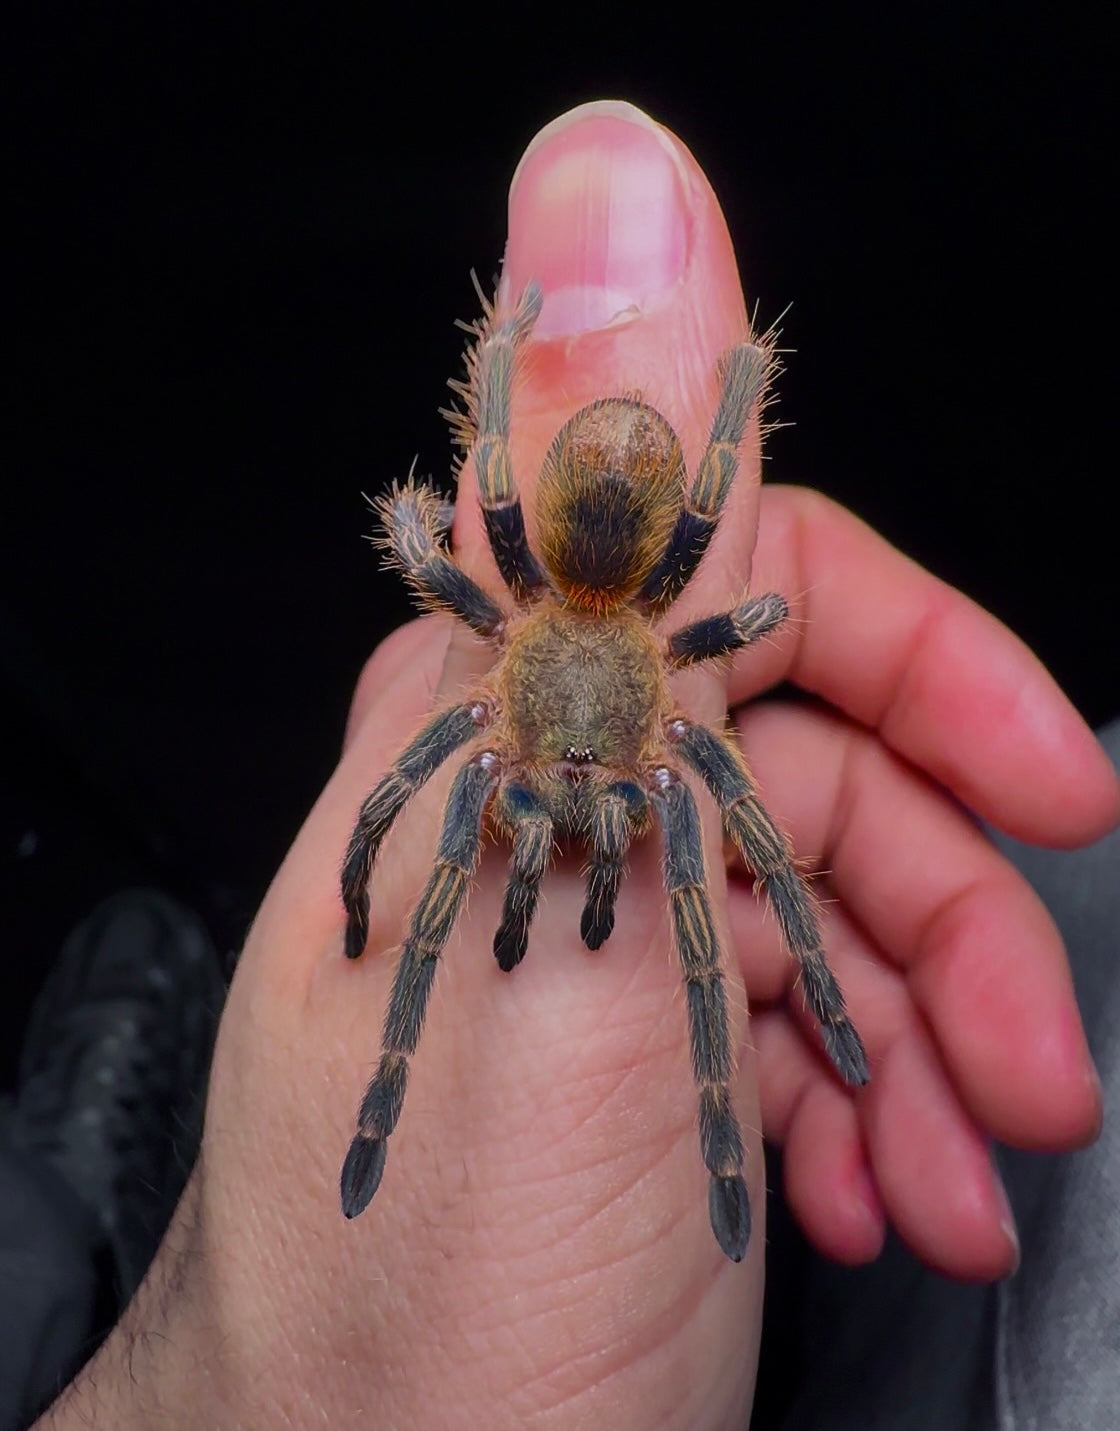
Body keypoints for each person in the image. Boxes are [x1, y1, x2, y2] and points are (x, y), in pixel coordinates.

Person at [22, 101, 1119, 1429]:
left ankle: (760, 1099)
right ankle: (383, 1110)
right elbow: (390, 767)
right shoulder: (513, 701)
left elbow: (441, 568)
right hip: (591, 601)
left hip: (616, 574)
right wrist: (375, 868)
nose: (587, 813)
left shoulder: (631, 700)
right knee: (510, 849)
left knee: (728, 874)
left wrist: (732, 395)